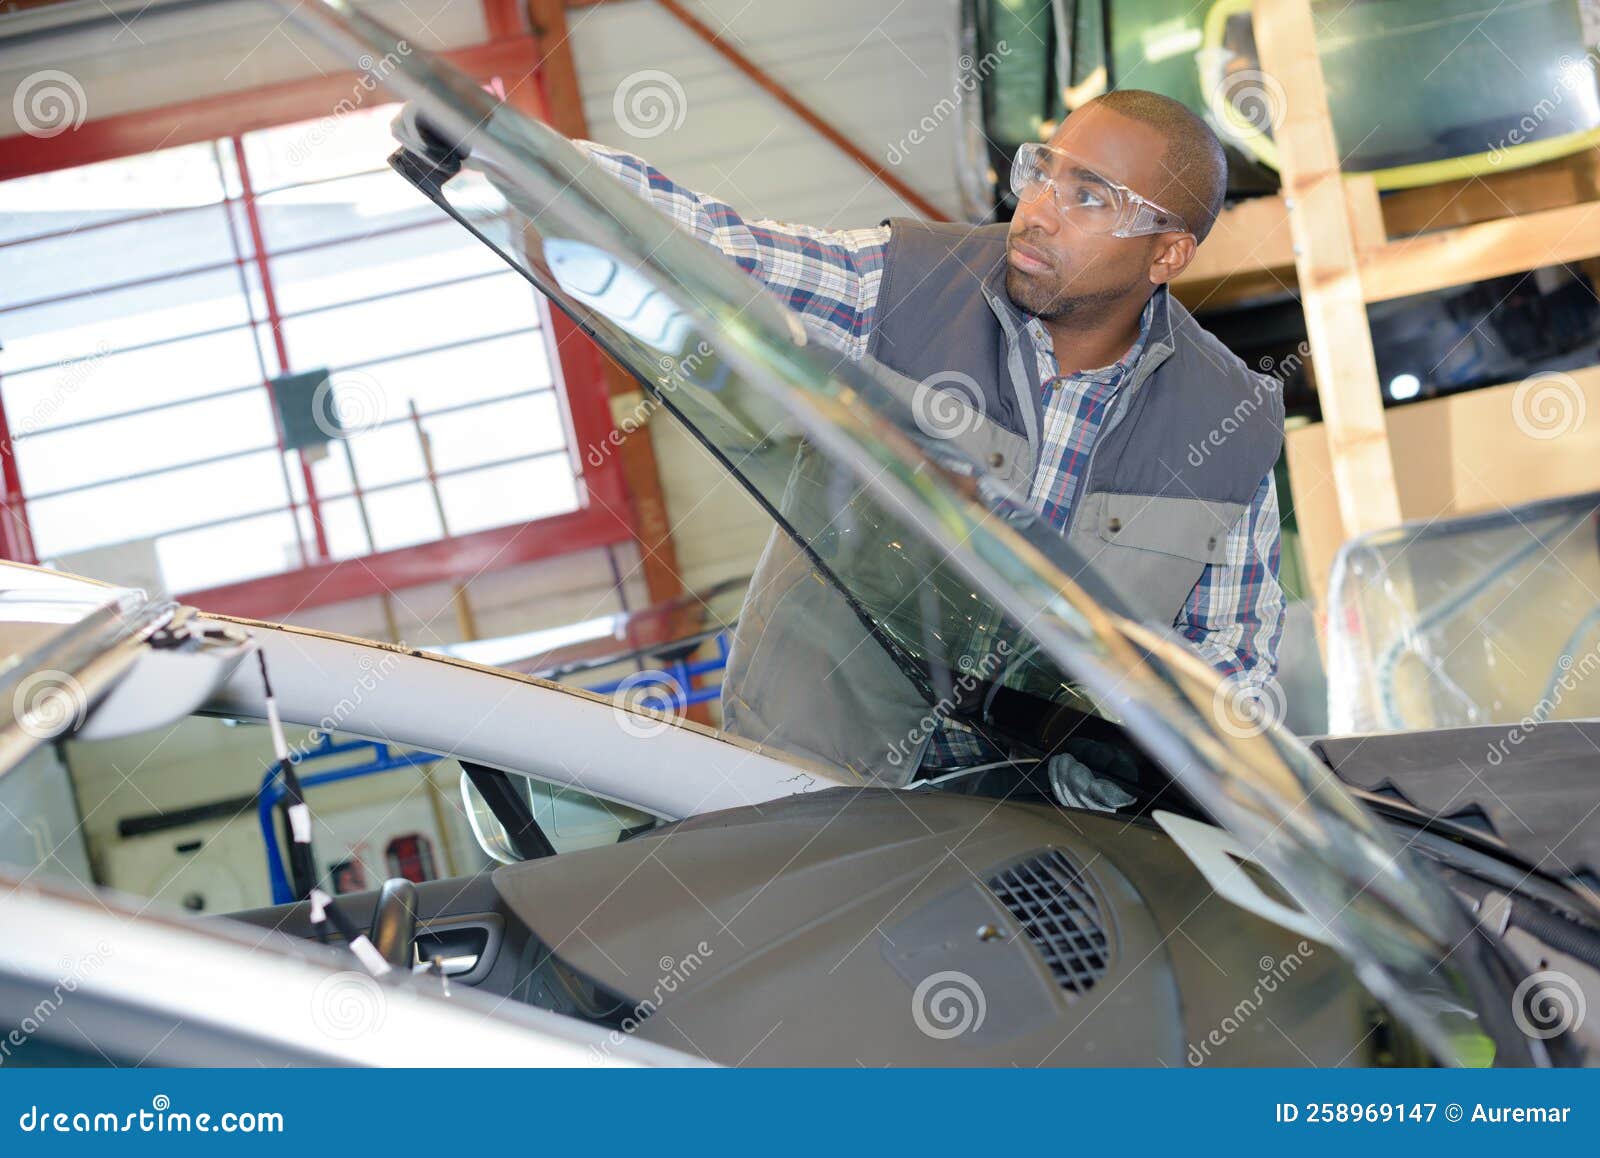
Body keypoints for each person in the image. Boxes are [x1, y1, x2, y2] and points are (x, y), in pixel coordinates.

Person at [570, 89, 1285, 783]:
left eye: (1089, 196)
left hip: (1030, 828)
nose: (1036, 212)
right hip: (810, 786)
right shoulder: (904, 288)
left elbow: (1228, 666)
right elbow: (726, 248)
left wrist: (1139, 774)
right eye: (1043, 174)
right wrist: (496, 142)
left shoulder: (1229, 426)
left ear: (1167, 256)